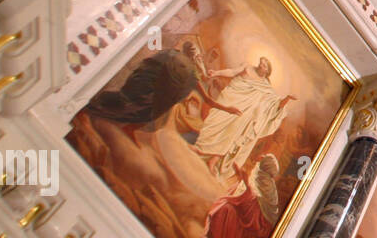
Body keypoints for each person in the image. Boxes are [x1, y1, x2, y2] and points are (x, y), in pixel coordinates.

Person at [85, 41, 240, 131]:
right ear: (195, 56)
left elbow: (145, 67)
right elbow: (208, 99)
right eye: (198, 56)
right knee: (130, 111)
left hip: (138, 94)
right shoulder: (191, 74)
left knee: (119, 103)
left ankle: (91, 108)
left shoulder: (172, 54)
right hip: (147, 106)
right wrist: (227, 109)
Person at [192, 57, 296, 182]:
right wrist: (216, 73)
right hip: (232, 100)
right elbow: (232, 72)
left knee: (232, 135)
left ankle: (213, 161)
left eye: (264, 66)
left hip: (243, 114)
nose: (260, 66)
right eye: (261, 63)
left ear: (267, 71)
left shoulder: (266, 87)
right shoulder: (247, 66)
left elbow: (275, 106)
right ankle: (200, 148)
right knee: (216, 124)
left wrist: (287, 99)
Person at [203, 155, 280, 238]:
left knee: (225, 210)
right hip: (250, 224)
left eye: (260, 160)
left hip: (250, 230)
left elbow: (251, 209)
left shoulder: (261, 179)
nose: (257, 161)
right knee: (226, 205)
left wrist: (244, 179)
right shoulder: (267, 183)